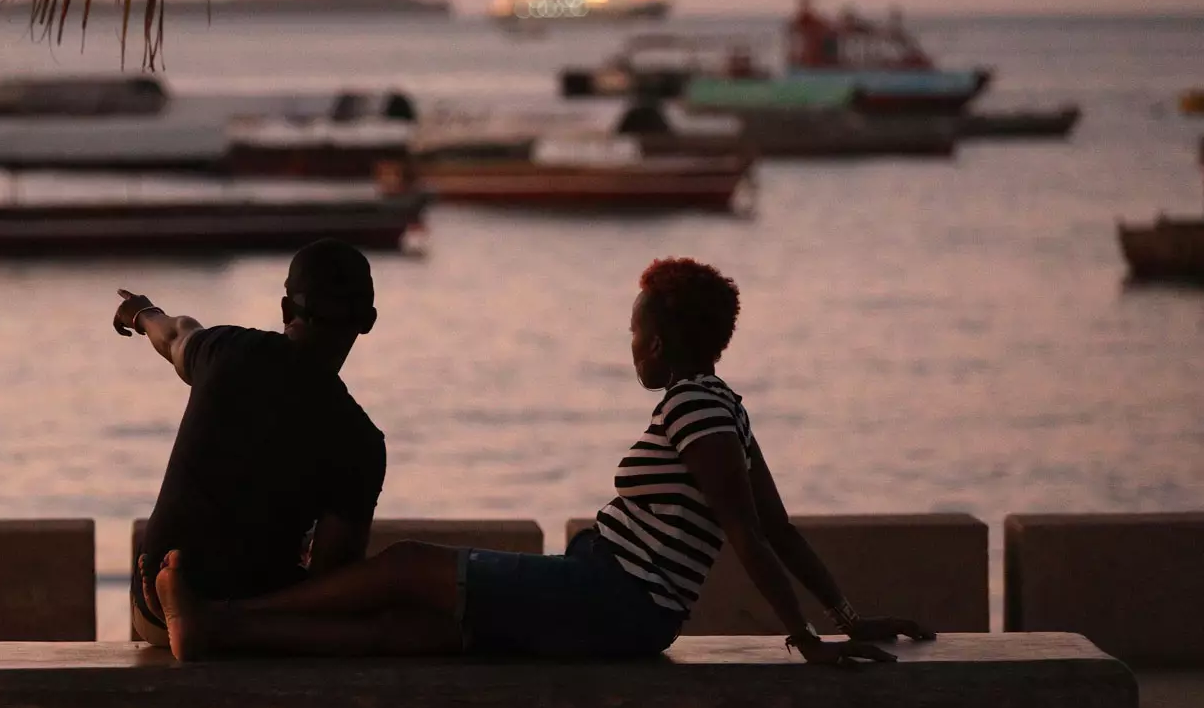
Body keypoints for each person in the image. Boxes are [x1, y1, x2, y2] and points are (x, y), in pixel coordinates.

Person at [149, 257, 936, 667]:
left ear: (658, 342)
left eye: (635, 332)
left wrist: (805, 639)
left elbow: (749, 532)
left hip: (612, 598)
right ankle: (231, 631)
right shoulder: (722, 404)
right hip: (616, 603)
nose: (630, 346)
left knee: (411, 566)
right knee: (419, 632)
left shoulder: (695, 408)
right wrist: (845, 616)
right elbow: (780, 527)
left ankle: (226, 621)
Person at [114, 238, 386, 647]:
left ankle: (188, 611)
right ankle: (209, 621)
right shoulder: (361, 441)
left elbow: (173, 334)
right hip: (253, 616)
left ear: (285, 309)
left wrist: (141, 312)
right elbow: (332, 581)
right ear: (367, 320)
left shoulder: (227, 352)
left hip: (151, 599)